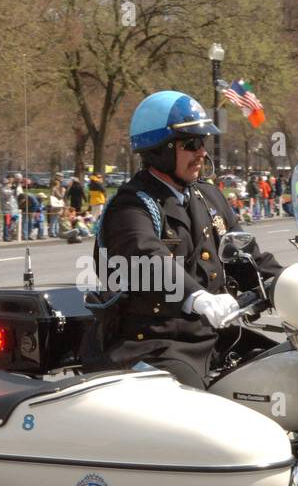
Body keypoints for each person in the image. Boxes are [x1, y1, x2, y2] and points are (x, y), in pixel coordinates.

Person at [92, 90, 283, 390]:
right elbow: (147, 258)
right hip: (155, 345)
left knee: (290, 370)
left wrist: (290, 282)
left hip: (216, 339)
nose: (202, 152)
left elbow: (246, 256)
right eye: (191, 143)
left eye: (202, 142)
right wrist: (198, 297)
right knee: (203, 416)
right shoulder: (132, 206)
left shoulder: (209, 197)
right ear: (160, 150)